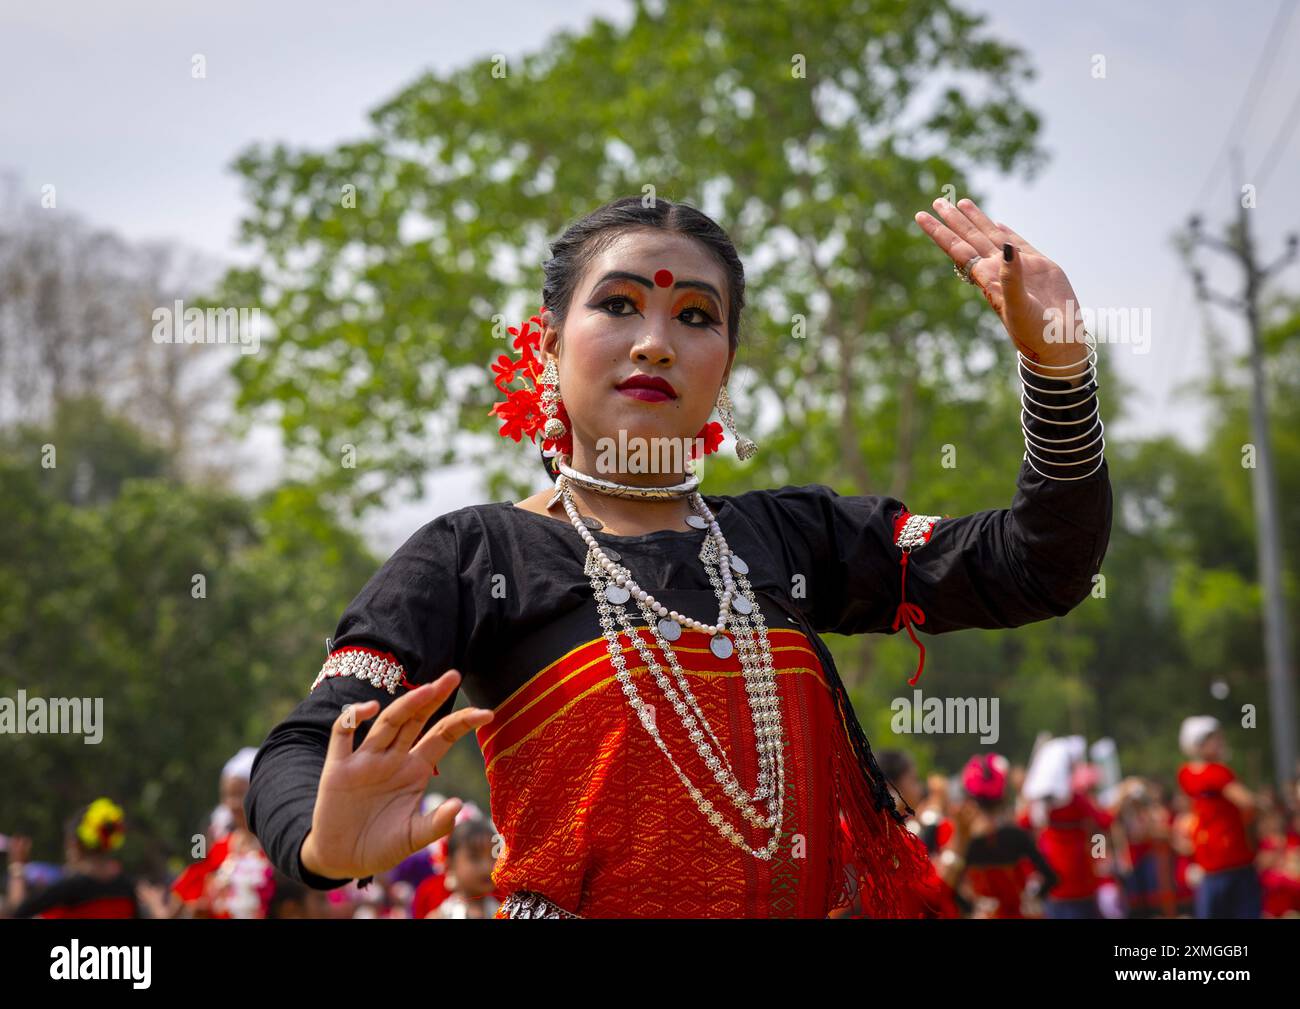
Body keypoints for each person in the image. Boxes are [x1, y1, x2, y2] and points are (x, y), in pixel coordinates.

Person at [245, 195, 1112, 918]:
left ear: (724, 366)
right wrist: (323, 844)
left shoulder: (791, 537)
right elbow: (302, 748)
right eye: (618, 305)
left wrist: (1059, 370)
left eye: (696, 316)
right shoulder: (476, 554)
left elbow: (1038, 562)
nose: (656, 340)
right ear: (547, 345)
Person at [953, 753, 1059, 919]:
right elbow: (1051, 877)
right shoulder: (1017, 835)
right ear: (1002, 796)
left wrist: (972, 908)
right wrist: (1032, 899)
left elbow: (950, 886)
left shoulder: (965, 841)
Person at [1176, 716, 1261, 918]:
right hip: (1232, 858)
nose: (1221, 742)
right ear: (1199, 744)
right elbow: (1248, 802)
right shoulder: (1218, 772)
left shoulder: (1185, 773)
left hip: (1208, 860)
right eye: (1215, 738)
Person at [8, 799, 145, 918]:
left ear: (75, 844)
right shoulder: (127, 888)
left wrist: (17, 866)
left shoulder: (68, 889)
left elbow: (18, 911)